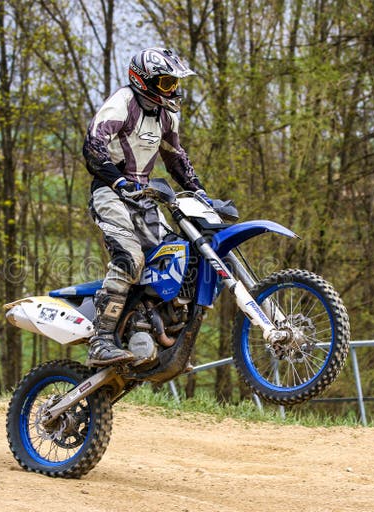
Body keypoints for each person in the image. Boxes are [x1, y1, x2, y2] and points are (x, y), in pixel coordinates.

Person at [82, 47, 209, 367]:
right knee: (130, 257)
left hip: (144, 196)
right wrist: (118, 182)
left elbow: (176, 158)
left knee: (179, 257)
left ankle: (150, 330)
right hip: (109, 192)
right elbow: (93, 147)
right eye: (167, 82)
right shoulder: (122, 102)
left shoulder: (167, 115)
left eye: (175, 83)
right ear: (144, 81)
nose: (174, 90)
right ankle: (101, 339)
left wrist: (201, 194)